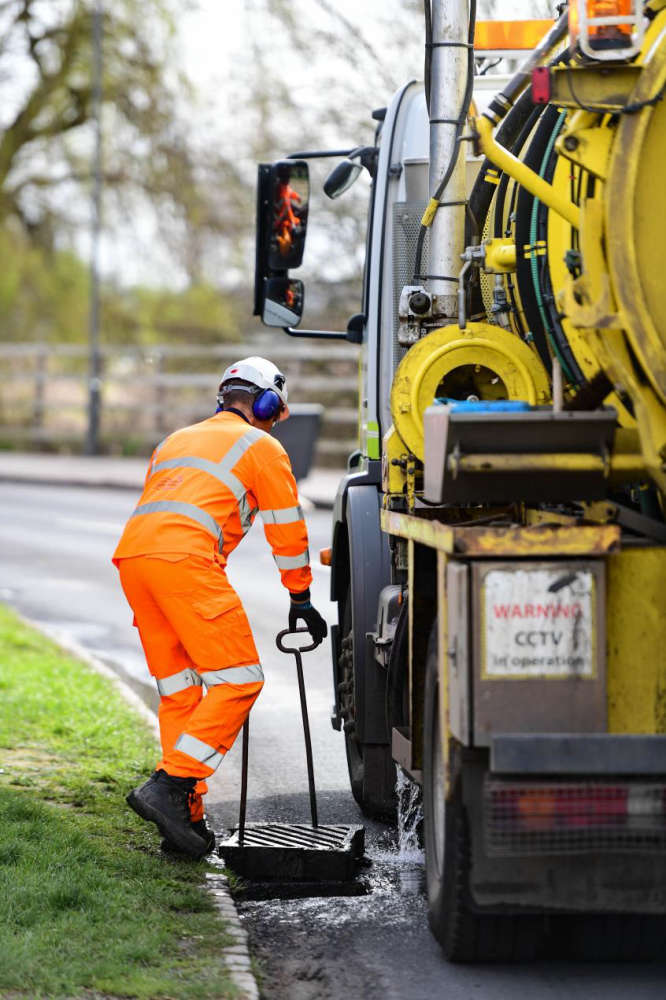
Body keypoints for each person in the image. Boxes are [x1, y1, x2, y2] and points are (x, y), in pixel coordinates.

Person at [112, 356, 327, 859]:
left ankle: (184, 821)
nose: (278, 419)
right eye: (277, 409)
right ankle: (171, 785)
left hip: (135, 561)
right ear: (267, 402)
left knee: (180, 691)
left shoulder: (175, 440)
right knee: (240, 679)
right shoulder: (262, 446)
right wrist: (301, 596)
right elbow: (287, 530)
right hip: (186, 562)